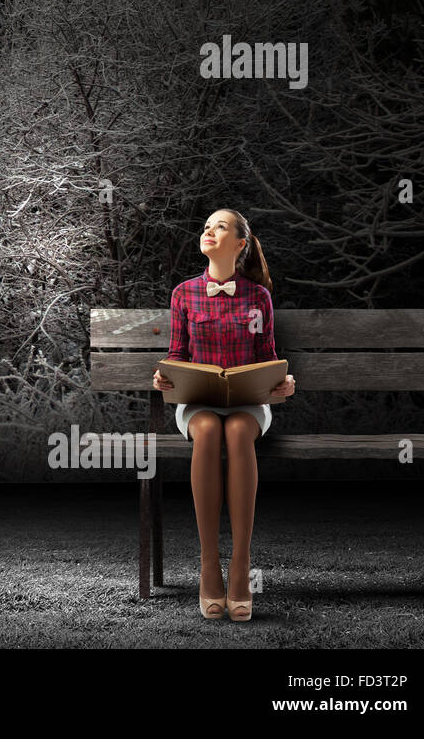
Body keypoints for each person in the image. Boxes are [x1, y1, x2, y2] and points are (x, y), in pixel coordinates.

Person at [152, 209, 295, 621]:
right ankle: (209, 564)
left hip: (248, 405)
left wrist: (283, 384)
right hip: (198, 403)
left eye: (219, 226)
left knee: (235, 429)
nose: (208, 231)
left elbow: (268, 358)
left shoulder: (258, 297)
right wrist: (165, 375)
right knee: (210, 428)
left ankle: (239, 567)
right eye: (205, 227)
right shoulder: (184, 294)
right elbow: (178, 355)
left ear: (239, 244)